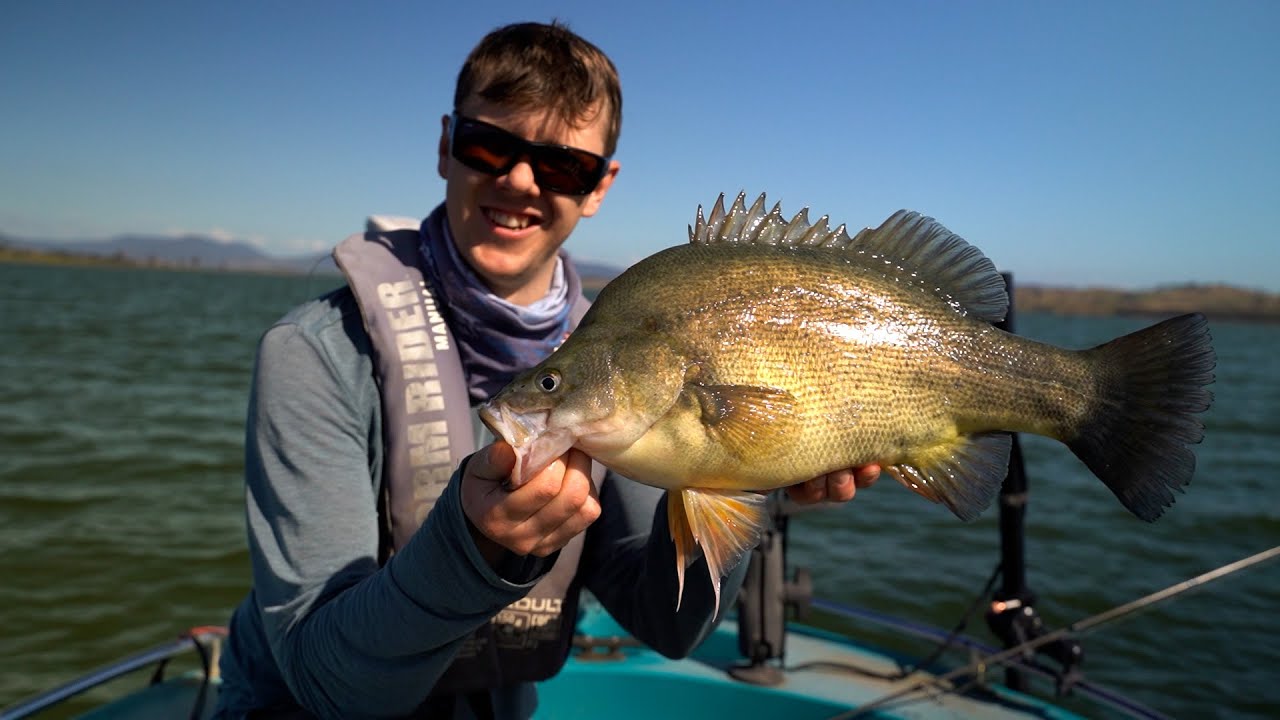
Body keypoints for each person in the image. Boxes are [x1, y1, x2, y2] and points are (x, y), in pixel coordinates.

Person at [213, 20, 878, 720]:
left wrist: (752, 470)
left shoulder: (625, 357)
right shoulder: (316, 351)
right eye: (487, 145)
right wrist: (476, 548)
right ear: (445, 145)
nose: (520, 180)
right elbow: (327, 684)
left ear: (599, 186)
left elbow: (670, 624)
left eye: (563, 166)